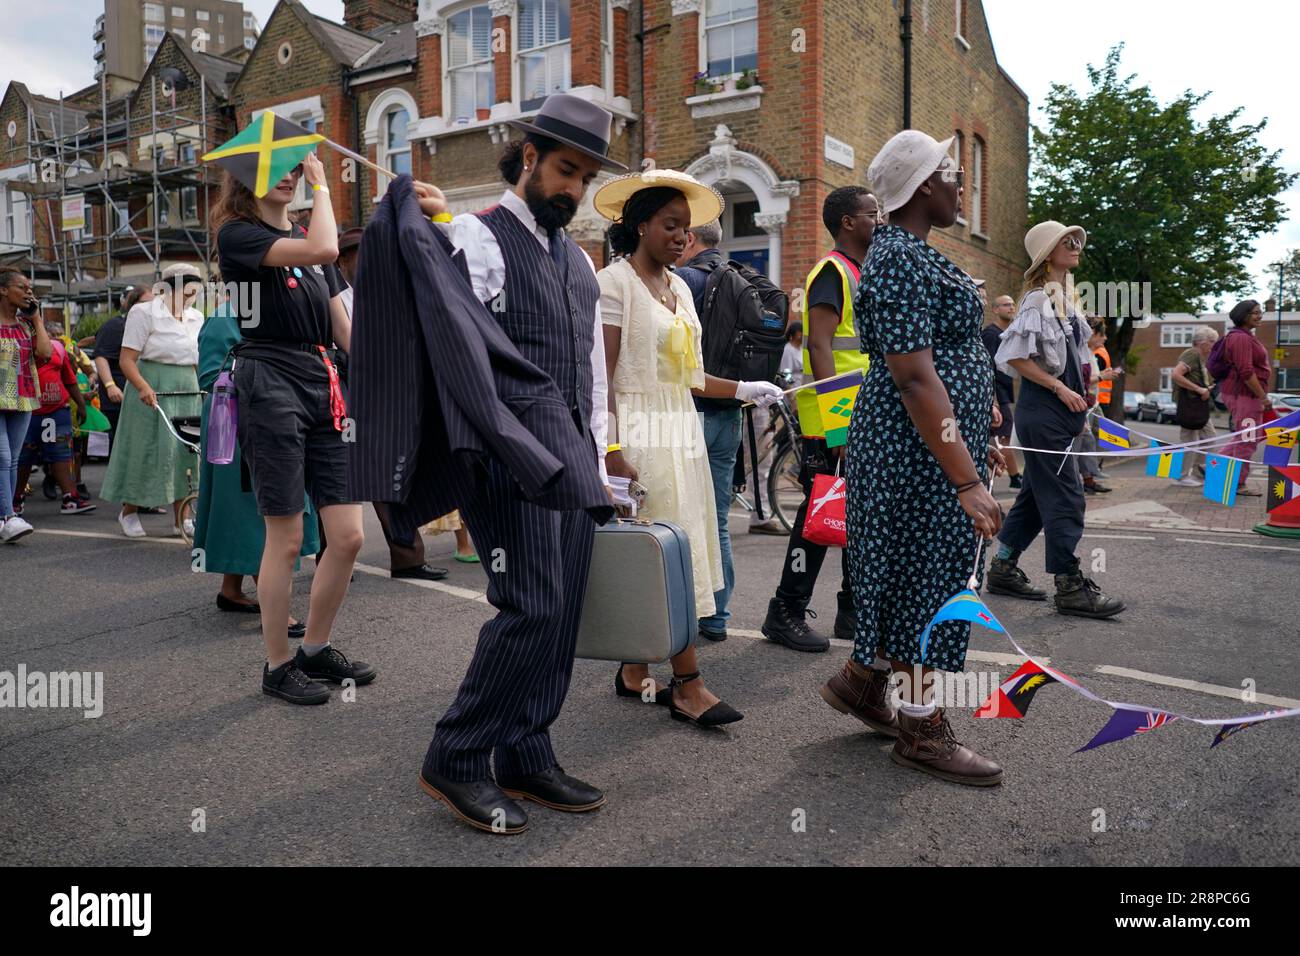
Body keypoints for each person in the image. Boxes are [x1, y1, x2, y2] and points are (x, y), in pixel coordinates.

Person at [413, 94, 630, 833]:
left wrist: (597, 456)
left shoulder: (577, 260)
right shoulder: (474, 236)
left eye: (587, 176)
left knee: (562, 612)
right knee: (531, 605)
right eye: (566, 169)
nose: (575, 188)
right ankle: (458, 755)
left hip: (571, 459)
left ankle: (526, 750)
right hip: (507, 458)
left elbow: (591, 374)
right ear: (530, 156)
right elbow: (449, 347)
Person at [832, 130, 1004, 785]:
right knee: (924, 579)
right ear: (925, 185)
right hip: (915, 451)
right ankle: (922, 731)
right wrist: (966, 480)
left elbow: (941, 366)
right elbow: (912, 376)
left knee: (913, 571)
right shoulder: (899, 255)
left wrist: (973, 430)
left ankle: (864, 686)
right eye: (953, 174)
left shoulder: (910, 252)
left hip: (929, 441)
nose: (962, 185)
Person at [595, 169, 780, 725]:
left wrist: (746, 388)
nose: (680, 236)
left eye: (686, 227)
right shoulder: (613, 283)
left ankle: (633, 671)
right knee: (667, 558)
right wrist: (611, 451)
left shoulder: (679, 288)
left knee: (682, 545)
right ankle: (688, 685)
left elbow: (693, 376)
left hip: (682, 431)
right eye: (669, 225)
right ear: (640, 225)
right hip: (639, 431)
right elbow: (600, 378)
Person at [214, 150, 374, 705]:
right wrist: (324, 185)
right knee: (284, 539)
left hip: (321, 378)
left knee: (349, 535)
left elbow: (341, 325)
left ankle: (314, 647)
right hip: (269, 377)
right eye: (272, 168)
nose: (286, 175)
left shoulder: (307, 239)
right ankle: (278, 664)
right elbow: (327, 247)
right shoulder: (239, 235)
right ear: (245, 181)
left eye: (291, 166)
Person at [988, 222, 1125, 618]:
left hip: (1061, 413)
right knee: (1066, 497)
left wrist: (1079, 397)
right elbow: (1012, 355)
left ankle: (1003, 567)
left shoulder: (1066, 299)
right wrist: (1058, 388)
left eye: (1078, 240)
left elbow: (1078, 358)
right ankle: (1069, 585)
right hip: (1043, 410)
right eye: (1068, 241)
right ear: (1048, 253)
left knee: (1034, 497)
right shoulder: (1035, 300)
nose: (1076, 246)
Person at [762, 185, 878, 652]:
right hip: (834, 421)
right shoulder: (831, 272)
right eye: (872, 213)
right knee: (818, 518)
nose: (880, 219)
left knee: (857, 515)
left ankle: (851, 612)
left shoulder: (857, 271)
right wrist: (837, 427)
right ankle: (785, 611)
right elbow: (820, 346)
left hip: (859, 416)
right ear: (848, 222)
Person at [191, 279, 316, 637]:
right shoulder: (225, 317)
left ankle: (231, 589)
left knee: (245, 506)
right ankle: (275, 610)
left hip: (255, 412)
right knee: (255, 507)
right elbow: (211, 375)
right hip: (234, 417)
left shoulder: (262, 314)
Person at [334, 225, 447, 581]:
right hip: (343, 394)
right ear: (343, 261)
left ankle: (408, 559)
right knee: (336, 483)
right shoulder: (334, 297)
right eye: (359, 256)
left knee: (391, 479)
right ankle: (334, 561)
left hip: (384, 398)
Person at [100, 264, 204, 538]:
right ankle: (129, 512)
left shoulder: (197, 317)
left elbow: (197, 361)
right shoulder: (144, 312)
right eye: (187, 289)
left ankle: (181, 517)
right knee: (145, 449)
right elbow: (126, 360)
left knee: (184, 452)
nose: (192, 295)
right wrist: (143, 387)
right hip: (150, 385)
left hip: (187, 388)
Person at [15, 336, 96, 516]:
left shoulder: (58, 348)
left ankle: (70, 499)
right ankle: (16, 500)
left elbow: (69, 379)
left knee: (61, 455)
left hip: (56, 412)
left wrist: (81, 405)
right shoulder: (18, 345)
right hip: (28, 413)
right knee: (24, 458)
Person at [0, 270, 52, 543]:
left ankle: (4, 518)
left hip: (22, 396)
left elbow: (44, 353)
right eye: (22, 287)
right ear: (4, 290)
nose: (29, 292)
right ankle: (8, 517)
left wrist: (36, 317)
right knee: (3, 457)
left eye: (30, 288)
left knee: (13, 461)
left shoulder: (26, 324)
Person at [92, 285, 152, 453]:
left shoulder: (152, 327)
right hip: (119, 395)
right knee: (121, 444)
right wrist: (110, 385)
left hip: (142, 395)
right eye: (146, 303)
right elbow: (101, 356)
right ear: (133, 304)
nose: (152, 308)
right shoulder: (115, 326)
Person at [1218, 299, 1269, 497]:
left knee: (1244, 437)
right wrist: (1263, 397)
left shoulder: (1244, 336)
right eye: (1255, 312)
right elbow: (1246, 371)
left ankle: (1215, 468)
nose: (1260, 316)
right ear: (1243, 315)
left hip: (1245, 395)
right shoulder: (1241, 338)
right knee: (1248, 439)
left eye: (1260, 312)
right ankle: (1238, 483)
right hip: (1245, 396)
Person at [981, 294, 1022, 488]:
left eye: (1013, 304)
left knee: (1002, 436)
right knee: (1003, 436)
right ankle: (1014, 477)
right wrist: (993, 398)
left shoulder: (1006, 334)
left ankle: (1014, 476)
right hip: (997, 394)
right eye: (1006, 304)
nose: (1011, 307)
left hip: (1004, 392)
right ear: (995, 309)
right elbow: (987, 367)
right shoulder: (990, 334)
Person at [1171, 325, 1218, 486]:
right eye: (1212, 341)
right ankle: (1183, 476)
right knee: (1190, 440)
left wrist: (1207, 388)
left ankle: (1198, 470)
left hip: (1197, 406)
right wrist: (1199, 389)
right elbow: (1176, 374)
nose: (1214, 345)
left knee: (1210, 438)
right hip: (1190, 405)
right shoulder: (1192, 353)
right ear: (1202, 342)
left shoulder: (1199, 357)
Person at [1075, 317, 1112, 495]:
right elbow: (1081, 381)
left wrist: (1102, 375)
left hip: (1093, 403)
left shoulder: (1091, 352)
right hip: (1086, 403)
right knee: (1083, 439)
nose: (1104, 338)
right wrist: (1103, 377)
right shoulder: (1082, 353)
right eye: (1101, 334)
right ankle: (1086, 477)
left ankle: (1090, 476)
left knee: (1104, 436)